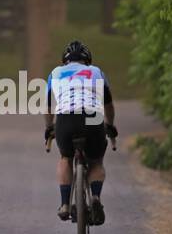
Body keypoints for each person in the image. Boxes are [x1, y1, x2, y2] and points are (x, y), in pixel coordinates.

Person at [43, 40, 117, 223]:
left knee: (66, 158)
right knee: (96, 160)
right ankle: (96, 198)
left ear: (65, 60)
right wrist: (111, 125)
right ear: (87, 60)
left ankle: (65, 204)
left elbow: (47, 106)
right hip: (93, 117)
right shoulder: (97, 72)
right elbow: (108, 105)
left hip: (66, 118)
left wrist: (49, 128)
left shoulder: (55, 73)